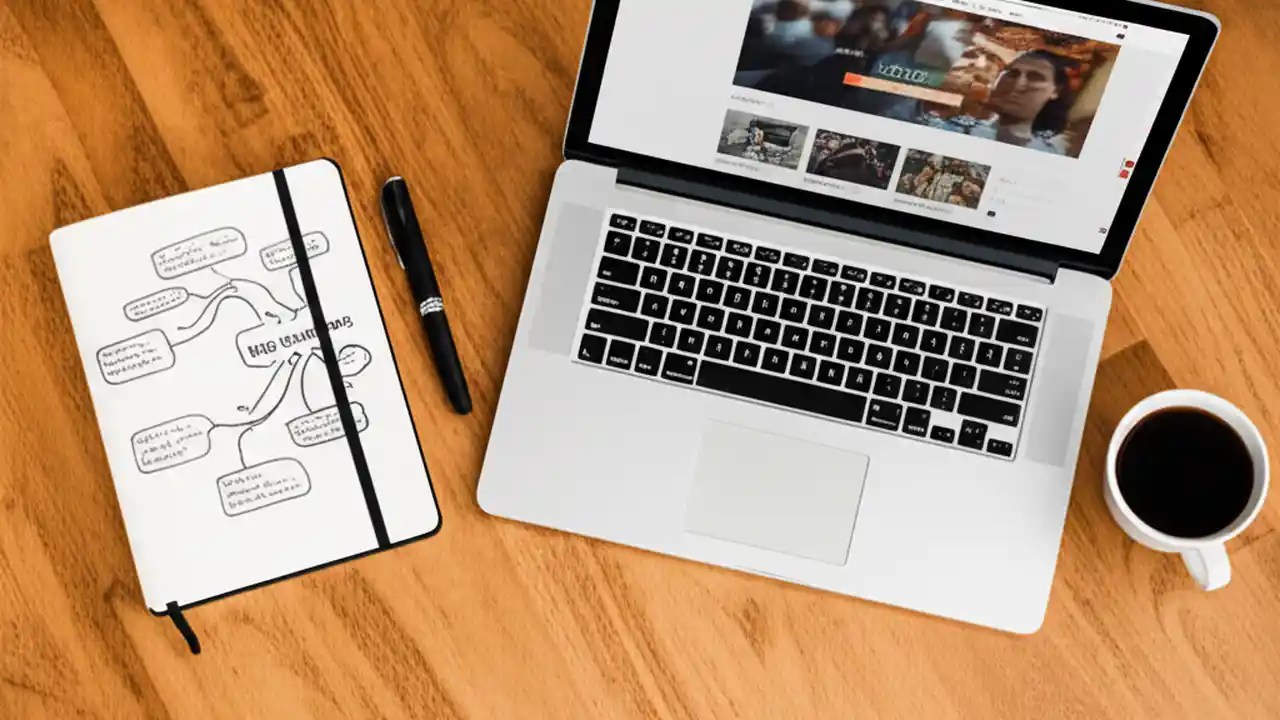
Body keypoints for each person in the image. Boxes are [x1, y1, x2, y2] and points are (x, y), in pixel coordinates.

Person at [920, 49, 1078, 155]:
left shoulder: (1049, 153)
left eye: (1035, 77)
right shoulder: (953, 128)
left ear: (1055, 91)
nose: (1019, 84)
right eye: (1013, 74)